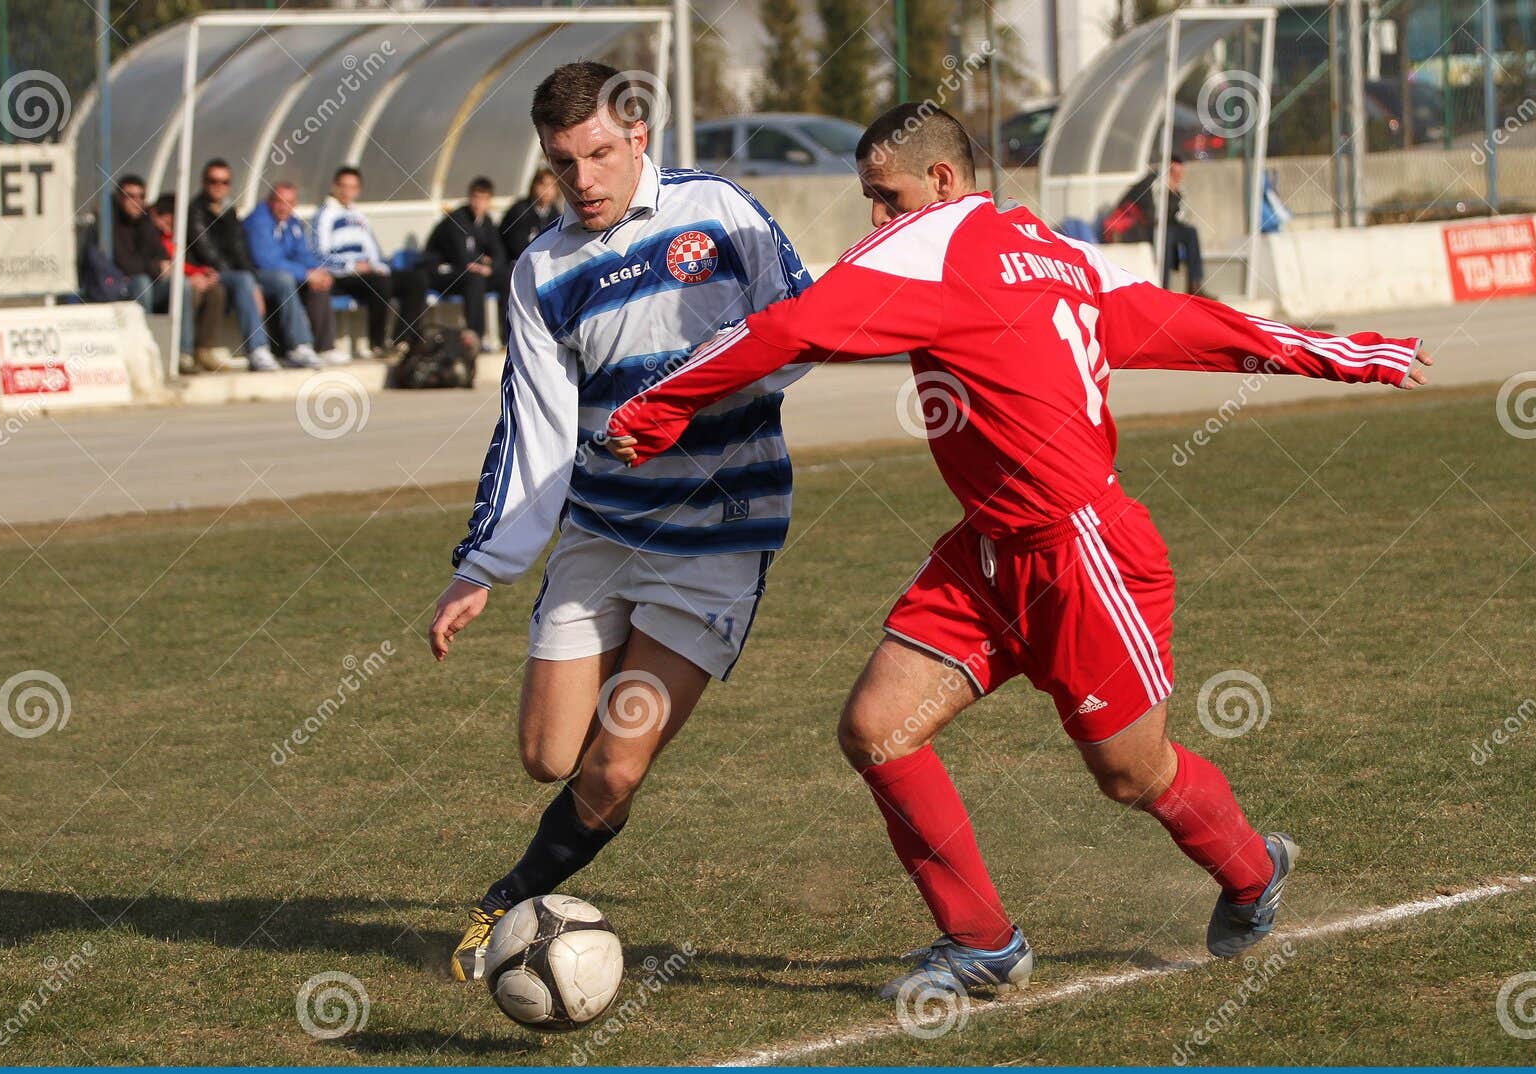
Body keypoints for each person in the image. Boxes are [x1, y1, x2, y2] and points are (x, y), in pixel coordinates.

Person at [607, 105, 1433, 998]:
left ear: (942, 182)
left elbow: (787, 328)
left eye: (885, 197)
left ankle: (1251, 868)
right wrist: (1342, 353)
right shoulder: (1053, 251)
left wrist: (654, 407)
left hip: (1084, 551)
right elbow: (1188, 320)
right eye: (869, 204)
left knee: (1131, 772)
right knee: (877, 731)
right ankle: (983, 941)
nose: (875, 222)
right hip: (992, 548)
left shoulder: (930, 243)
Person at [425, 60, 811, 984]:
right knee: (547, 753)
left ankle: (507, 903)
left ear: (638, 136)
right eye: (564, 164)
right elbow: (535, 425)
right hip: (602, 533)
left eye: (599, 154)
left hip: (715, 536)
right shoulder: (541, 270)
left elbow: (802, 327)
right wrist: (483, 564)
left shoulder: (717, 212)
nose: (584, 180)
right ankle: (559, 859)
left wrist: (694, 390)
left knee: (612, 768)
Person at [185, 159, 322, 371]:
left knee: (282, 279)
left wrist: (256, 281)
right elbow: (210, 254)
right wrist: (250, 283)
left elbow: (242, 251)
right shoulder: (195, 212)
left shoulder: (229, 212)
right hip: (213, 274)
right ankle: (257, 349)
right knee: (245, 281)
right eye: (213, 181)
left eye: (224, 182)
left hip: (241, 273)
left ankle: (300, 345)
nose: (218, 186)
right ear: (204, 182)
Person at [312, 166, 428, 356]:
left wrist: (377, 266)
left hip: (368, 271)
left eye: (353, 187)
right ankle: (377, 344)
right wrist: (351, 266)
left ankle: (401, 340)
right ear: (335, 186)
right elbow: (319, 255)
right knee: (380, 284)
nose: (347, 192)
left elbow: (374, 251)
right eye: (343, 186)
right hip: (343, 276)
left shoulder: (359, 216)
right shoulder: (325, 215)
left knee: (416, 280)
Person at [110, 174, 209, 372]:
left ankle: (184, 353)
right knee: (142, 283)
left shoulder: (146, 222)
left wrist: (158, 267)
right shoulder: (111, 223)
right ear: (120, 198)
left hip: (150, 282)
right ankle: (143, 351)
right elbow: (124, 263)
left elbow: (163, 257)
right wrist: (155, 267)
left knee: (181, 285)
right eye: (130, 196)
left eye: (141, 196)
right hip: (121, 287)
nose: (136, 201)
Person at [245, 182, 349, 366]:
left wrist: (318, 270)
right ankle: (299, 346)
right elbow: (267, 261)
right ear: (269, 201)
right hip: (258, 275)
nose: (284, 207)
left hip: (283, 274)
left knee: (320, 283)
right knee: (285, 280)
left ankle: (324, 347)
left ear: (294, 204)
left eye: (289, 202)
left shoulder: (292, 223)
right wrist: (305, 274)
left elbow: (303, 253)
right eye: (279, 201)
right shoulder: (258, 221)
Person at [422, 176, 510, 352]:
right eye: (476, 197)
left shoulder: (486, 222)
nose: (479, 203)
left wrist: (490, 267)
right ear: (470, 197)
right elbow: (461, 257)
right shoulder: (456, 220)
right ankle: (476, 336)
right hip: (442, 274)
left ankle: (507, 337)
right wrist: (482, 262)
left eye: (484, 199)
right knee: (475, 279)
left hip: (470, 273)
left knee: (507, 277)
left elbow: (499, 253)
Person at [149, 194, 235, 372]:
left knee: (216, 291)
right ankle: (183, 351)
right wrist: (192, 277)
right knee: (188, 290)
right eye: (165, 218)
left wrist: (202, 273)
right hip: (158, 287)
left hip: (183, 279)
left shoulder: (178, 234)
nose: (168, 224)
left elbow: (184, 261)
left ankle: (204, 349)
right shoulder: (150, 234)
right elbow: (166, 265)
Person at [1113, 155, 1207, 294]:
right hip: (1141, 228)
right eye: (1174, 173)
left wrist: (1175, 194)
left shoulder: (1178, 190)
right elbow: (1153, 214)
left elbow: (1180, 217)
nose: (1178, 177)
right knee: (1166, 236)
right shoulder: (1151, 184)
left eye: (1180, 174)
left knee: (1190, 232)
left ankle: (1195, 285)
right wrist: (1166, 190)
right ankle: (1164, 286)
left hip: (1164, 227)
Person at [499, 168, 562, 258]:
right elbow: (515, 245)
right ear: (533, 186)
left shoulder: (557, 216)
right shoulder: (519, 211)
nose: (546, 190)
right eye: (542, 184)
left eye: (551, 186)